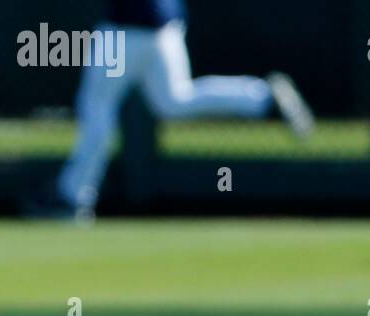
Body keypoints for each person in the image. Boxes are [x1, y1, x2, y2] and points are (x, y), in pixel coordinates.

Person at [37, 0, 315, 221]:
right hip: (165, 31)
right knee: (175, 99)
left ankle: (72, 198)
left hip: (123, 33)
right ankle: (262, 97)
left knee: (97, 108)